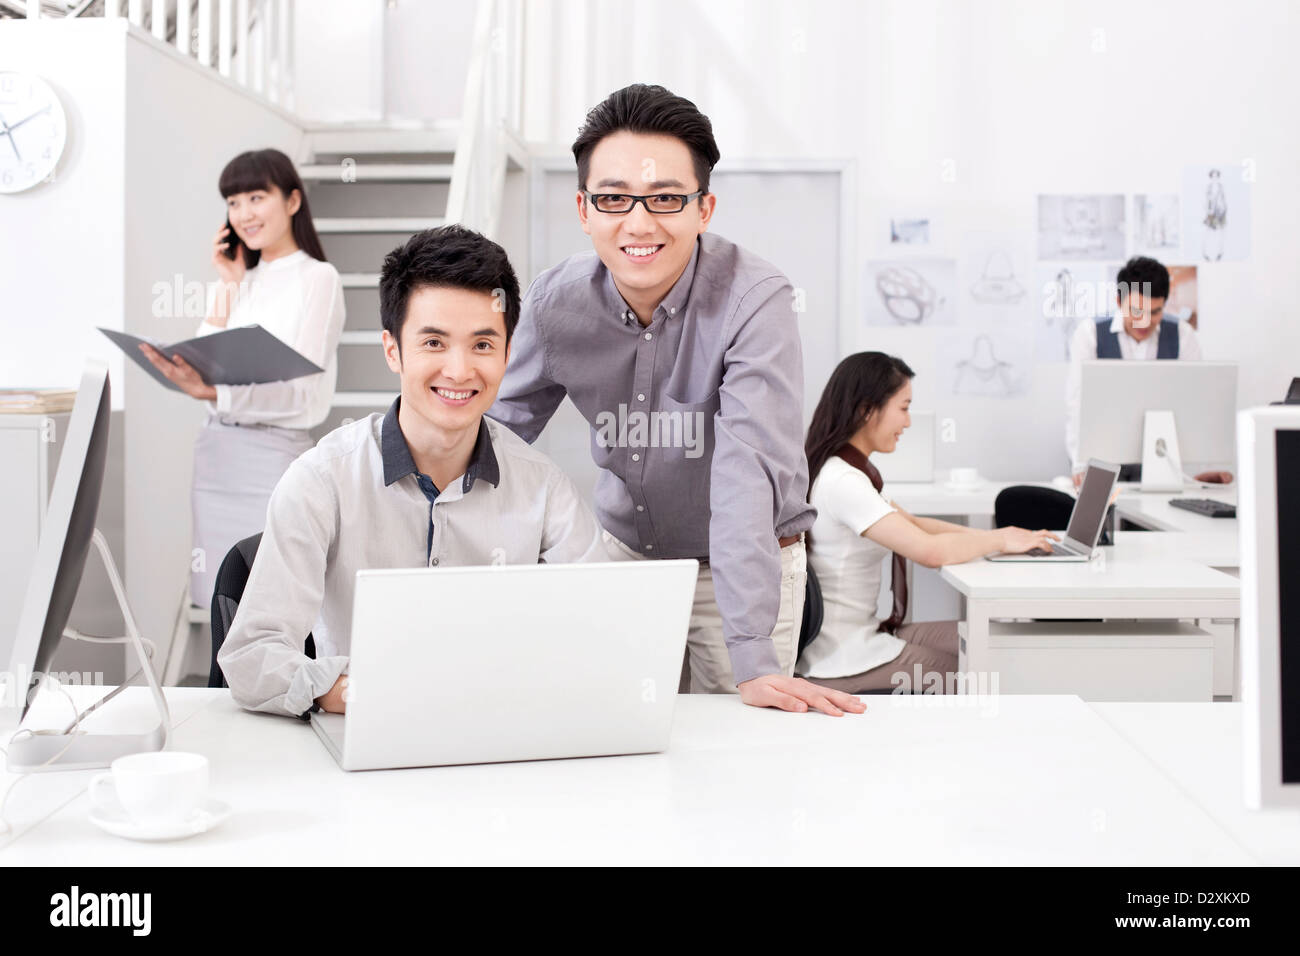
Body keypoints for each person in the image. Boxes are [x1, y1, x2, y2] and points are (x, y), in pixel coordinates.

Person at [489, 83, 862, 718]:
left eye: (665, 197)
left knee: (741, 756)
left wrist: (751, 654)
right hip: (625, 555)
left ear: (703, 207)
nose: (638, 222)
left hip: (740, 567)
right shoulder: (556, 304)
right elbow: (493, 435)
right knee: (622, 741)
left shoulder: (756, 298)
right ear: (583, 209)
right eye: (613, 198)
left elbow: (746, 471)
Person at [217, 226, 610, 716]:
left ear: (508, 354)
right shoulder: (322, 480)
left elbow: (607, 628)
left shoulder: (542, 486)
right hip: (364, 741)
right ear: (392, 350)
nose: (460, 370)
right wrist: (362, 693)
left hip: (495, 743)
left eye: (483, 345)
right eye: (434, 343)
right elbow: (252, 656)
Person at [138, 148, 346, 609]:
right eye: (233, 202)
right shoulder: (239, 277)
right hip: (216, 453)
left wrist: (213, 392)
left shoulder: (318, 278)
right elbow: (203, 358)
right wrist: (227, 282)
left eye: (256, 197)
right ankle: (222, 685)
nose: (244, 214)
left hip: (274, 456)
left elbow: (303, 391)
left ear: (292, 201)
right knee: (220, 598)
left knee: (273, 597)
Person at [797, 353, 1057, 694]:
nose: (907, 422)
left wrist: (1001, 535)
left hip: (864, 637)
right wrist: (1000, 543)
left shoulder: (845, 472)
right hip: (844, 659)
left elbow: (915, 524)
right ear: (866, 409)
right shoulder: (843, 482)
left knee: (985, 640)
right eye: (903, 408)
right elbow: (931, 552)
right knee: (979, 670)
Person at [1064, 255, 1231, 485]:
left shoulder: (1183, 335)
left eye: (1154, 312)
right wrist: (1080, 465)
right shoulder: (1089, 334)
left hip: (1164, 461)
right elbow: (1078, 403)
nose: (1144, 321)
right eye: (1136, 311)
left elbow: (1198, 404)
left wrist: (1203, 471)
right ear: (1118, 301)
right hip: (1101, 461)